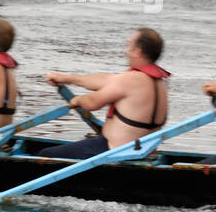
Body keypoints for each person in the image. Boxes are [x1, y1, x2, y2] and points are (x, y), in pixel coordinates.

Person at [45, 28, 169, 160]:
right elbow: (105, 80)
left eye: (128, 45)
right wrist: (67, 78)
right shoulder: (159, 83)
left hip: (114, 152)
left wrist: (78, 100)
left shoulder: (130, 79)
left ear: (137, 52)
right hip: (143, 153)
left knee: (46, 155)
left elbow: (92, 103)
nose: (126, 50)